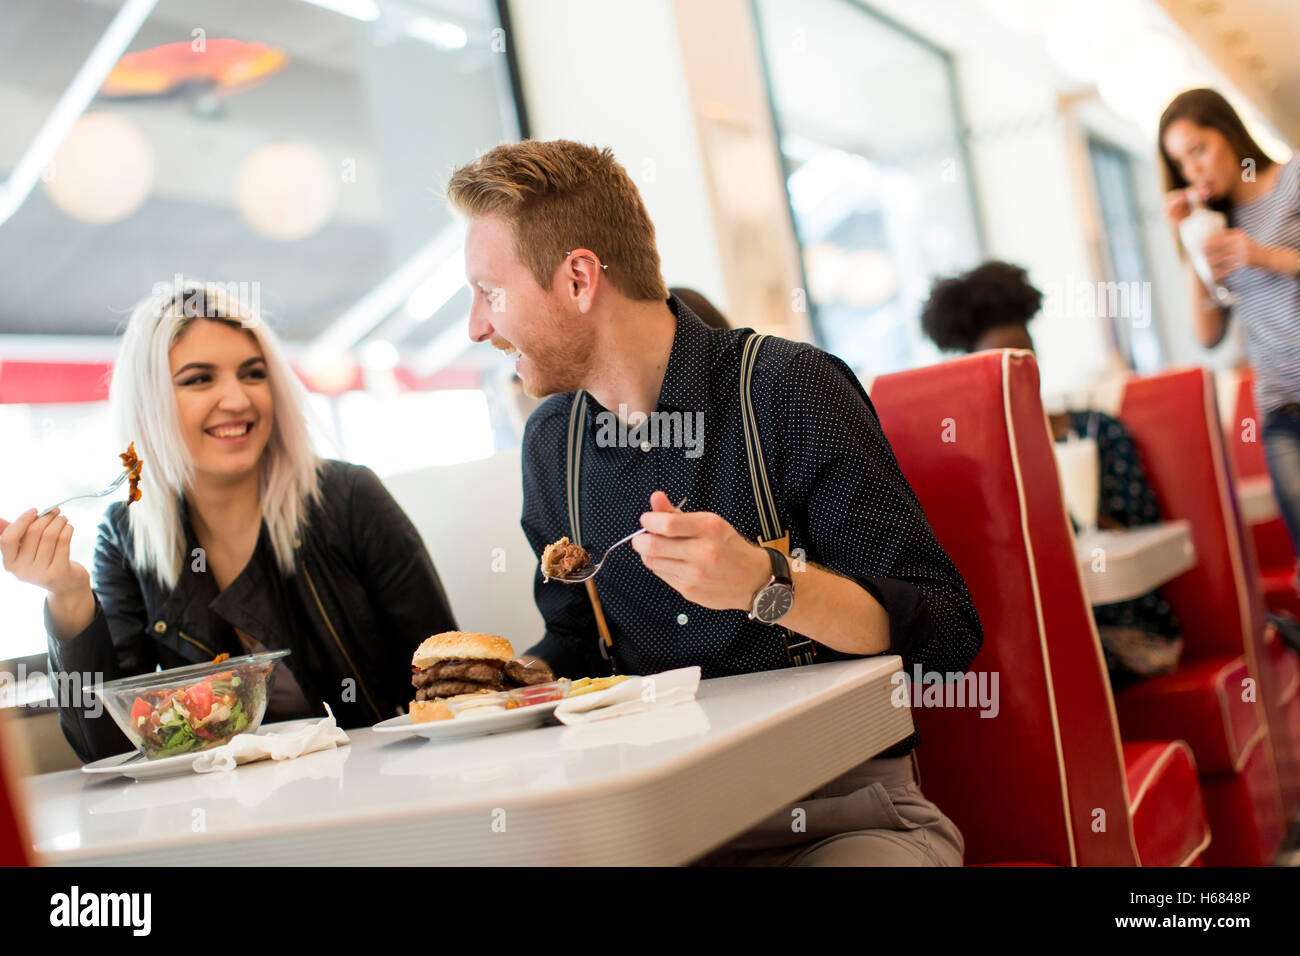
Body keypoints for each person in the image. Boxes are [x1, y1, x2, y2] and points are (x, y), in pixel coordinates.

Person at [447, 139, 981, 866]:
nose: (477, 326)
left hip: (838, 814)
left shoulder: (787, 388)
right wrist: (491, 695)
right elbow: (573, 648)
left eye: (490, 293)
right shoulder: (551, 445)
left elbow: (948, 635)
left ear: (578, 278)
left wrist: (769, 585)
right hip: (660, 830)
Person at [0, 280, 457, 763]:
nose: (237, 400)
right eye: (199, 379)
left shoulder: (347, 498)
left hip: (384, 783)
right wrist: (68, 596)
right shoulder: (127, 534)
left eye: (253, 374)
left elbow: (448, 677)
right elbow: (103, 748)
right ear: (149, 402)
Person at [921, 260, 1183, 685]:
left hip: (1130, 632)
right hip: (1041, 638)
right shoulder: (973, 465)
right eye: (1002, 371)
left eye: (1026, 360)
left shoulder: (1096, 431)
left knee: (1024, 675)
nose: (1021, 378)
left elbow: (1142, 537)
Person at [1160, 88, 1300, 563]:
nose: (1193, 169)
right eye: (1181, 162)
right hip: (1282, 408)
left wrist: (1266, 257)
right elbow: (1206, 334)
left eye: (1199, 149)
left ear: (1229, 133)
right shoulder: (1215, 223)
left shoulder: (1293, 179)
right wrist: (1187, 241)